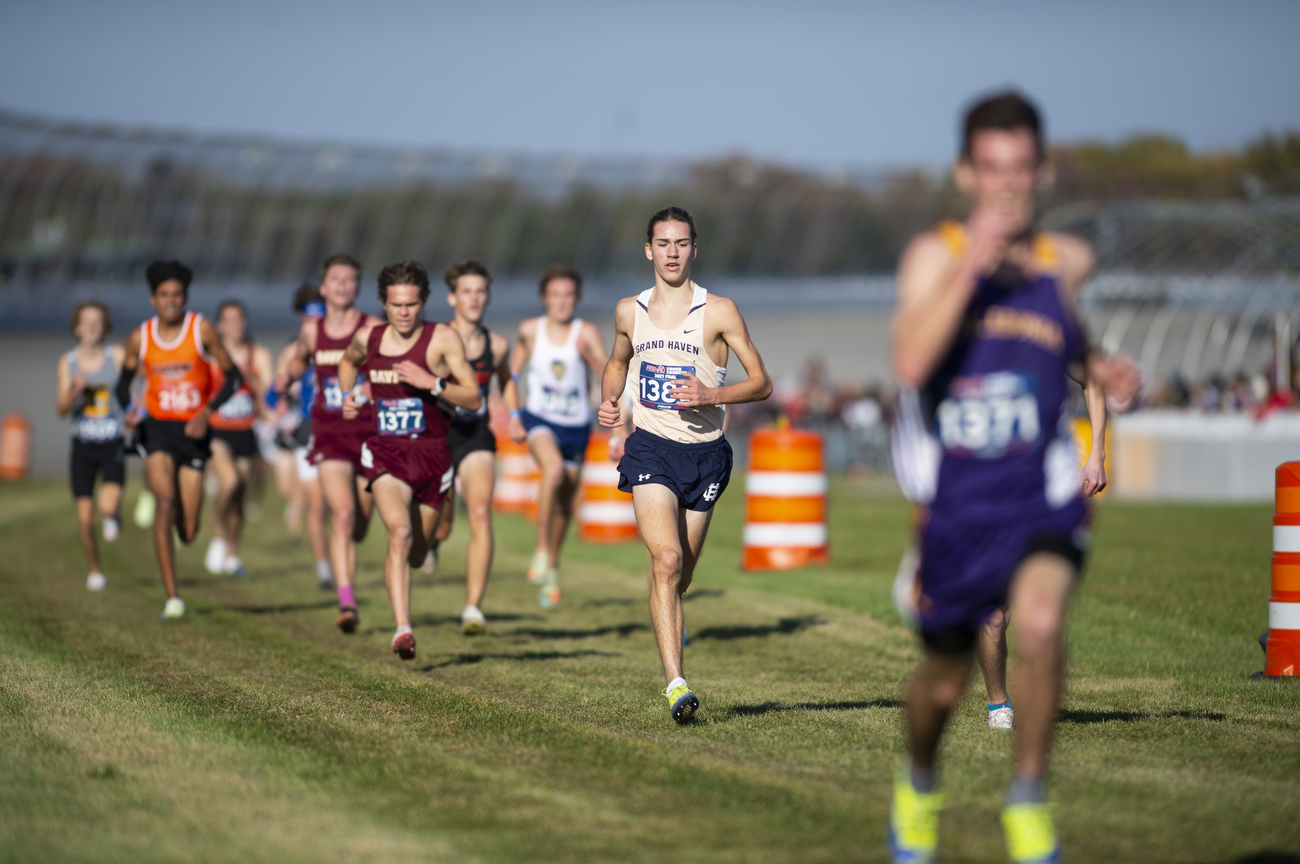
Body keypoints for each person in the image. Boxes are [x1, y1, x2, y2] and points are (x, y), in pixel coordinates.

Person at [886, 92, 1141, 864]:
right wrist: (974, 267)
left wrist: (1101, 368)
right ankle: (919, 782)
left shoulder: (1063, 263)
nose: (1007, 183)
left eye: (1022, 167)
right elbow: (910, 360)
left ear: (1043, 171)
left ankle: (1028, 798)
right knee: (941, 680)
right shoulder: (935, 254)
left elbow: (1069, 337)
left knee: (1037, 623)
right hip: (958, 501)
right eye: (991, 167)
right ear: (966, 171)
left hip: (1041, 489)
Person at [597, 206, 772, 724]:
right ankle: (676, 683)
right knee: (666, 561)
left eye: (681, 243)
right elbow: (617, 361)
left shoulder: (718, 310)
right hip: (650, 446)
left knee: (680, 576)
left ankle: (668, 611)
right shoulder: (629, 310)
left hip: (707, 456)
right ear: (648, 249)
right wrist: (611, 403)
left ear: (694, 249)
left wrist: (709, 392)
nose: (672, 253)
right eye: (663, 243)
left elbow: (762, 382)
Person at [336, 260, 481, 659]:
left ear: (423, 302)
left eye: (411, 304)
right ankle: (403, 628)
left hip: (434, 456)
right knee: (398, 534)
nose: (403, 312)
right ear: (383, 302)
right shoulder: (369, 338)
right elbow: (347, 362)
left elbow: (474, 397)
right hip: (386, 453)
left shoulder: (442, 339)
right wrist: (348, 395)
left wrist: (431, 383)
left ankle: (428, 546)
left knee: (417, 552)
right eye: (396, 304)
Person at [115, 260, 243, 620]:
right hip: (157, 429)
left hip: (195, 431)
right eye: (164, 295)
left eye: (177, 294)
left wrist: (207, 411)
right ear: (153, 298)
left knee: (188, 530)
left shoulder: (201, 329)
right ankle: (173, 599)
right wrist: (129, 408)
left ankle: (176, 527)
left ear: (185, 296)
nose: (171, 301)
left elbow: (233, 377)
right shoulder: (140, 337)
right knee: (165, 503)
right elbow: (122, 384)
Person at [280, 254, 383, 632]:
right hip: (329, 434)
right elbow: (298, 361)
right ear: (324, 289)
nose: (341, 285)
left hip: (369, 434)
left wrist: (372, 386)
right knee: (341, 514)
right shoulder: (312, 331)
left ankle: (348, 561)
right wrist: (286, 377)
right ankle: (347, 602)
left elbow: (389, 367)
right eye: (335, 279)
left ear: (357, 287)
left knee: (360, 524)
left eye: (349, 279)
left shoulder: (372, 327)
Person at [503, 264, 608, 609]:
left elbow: (609, 375)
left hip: (576, 426)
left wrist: (590, 355)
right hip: (539, 418)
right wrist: (515, 416)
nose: (562, 302)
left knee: (565, 503)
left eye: (568, 296)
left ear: (576, 298)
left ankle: (553, 563)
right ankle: (541, 549)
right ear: (544, 298)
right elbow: (511, 375)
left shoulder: (587, 331)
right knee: (552, 470)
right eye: (555, 296)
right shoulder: (530, 330)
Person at [427, 260, 511, 634]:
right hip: (437, 433)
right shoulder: (436, 339)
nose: (474, 298)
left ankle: (473, 607)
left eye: (480, 291)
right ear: (452, 297)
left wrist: (517, 413)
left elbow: (507, 381)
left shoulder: (497, 344)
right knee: (440, 525)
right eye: (467, 292)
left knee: (479, 511)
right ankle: (431, 542)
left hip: (476, 433)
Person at [57, 300, 126, 591]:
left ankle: (114, 514)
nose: (92, 327)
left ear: (105, 326)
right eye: (86, 322)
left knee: (107, 504)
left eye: (97, 321)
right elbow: (60, 410)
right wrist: (75, 389)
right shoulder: (68, 362)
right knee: (85, 519)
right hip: (82, 446)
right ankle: (96, 570)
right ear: (77, 327)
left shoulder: (118, 355)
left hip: (113, 443)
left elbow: (141, 383)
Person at [203, 300, 273, 578]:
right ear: (219, 325)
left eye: (239, 319)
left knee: (240, 495)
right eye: (228, 321)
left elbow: (268, 395)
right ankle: (219, 535)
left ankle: (232, 552)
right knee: (229, 482)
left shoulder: (258, 355)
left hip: (246, 432)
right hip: (217, 431)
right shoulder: (210, 356)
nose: (234, 326)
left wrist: (248, 378)